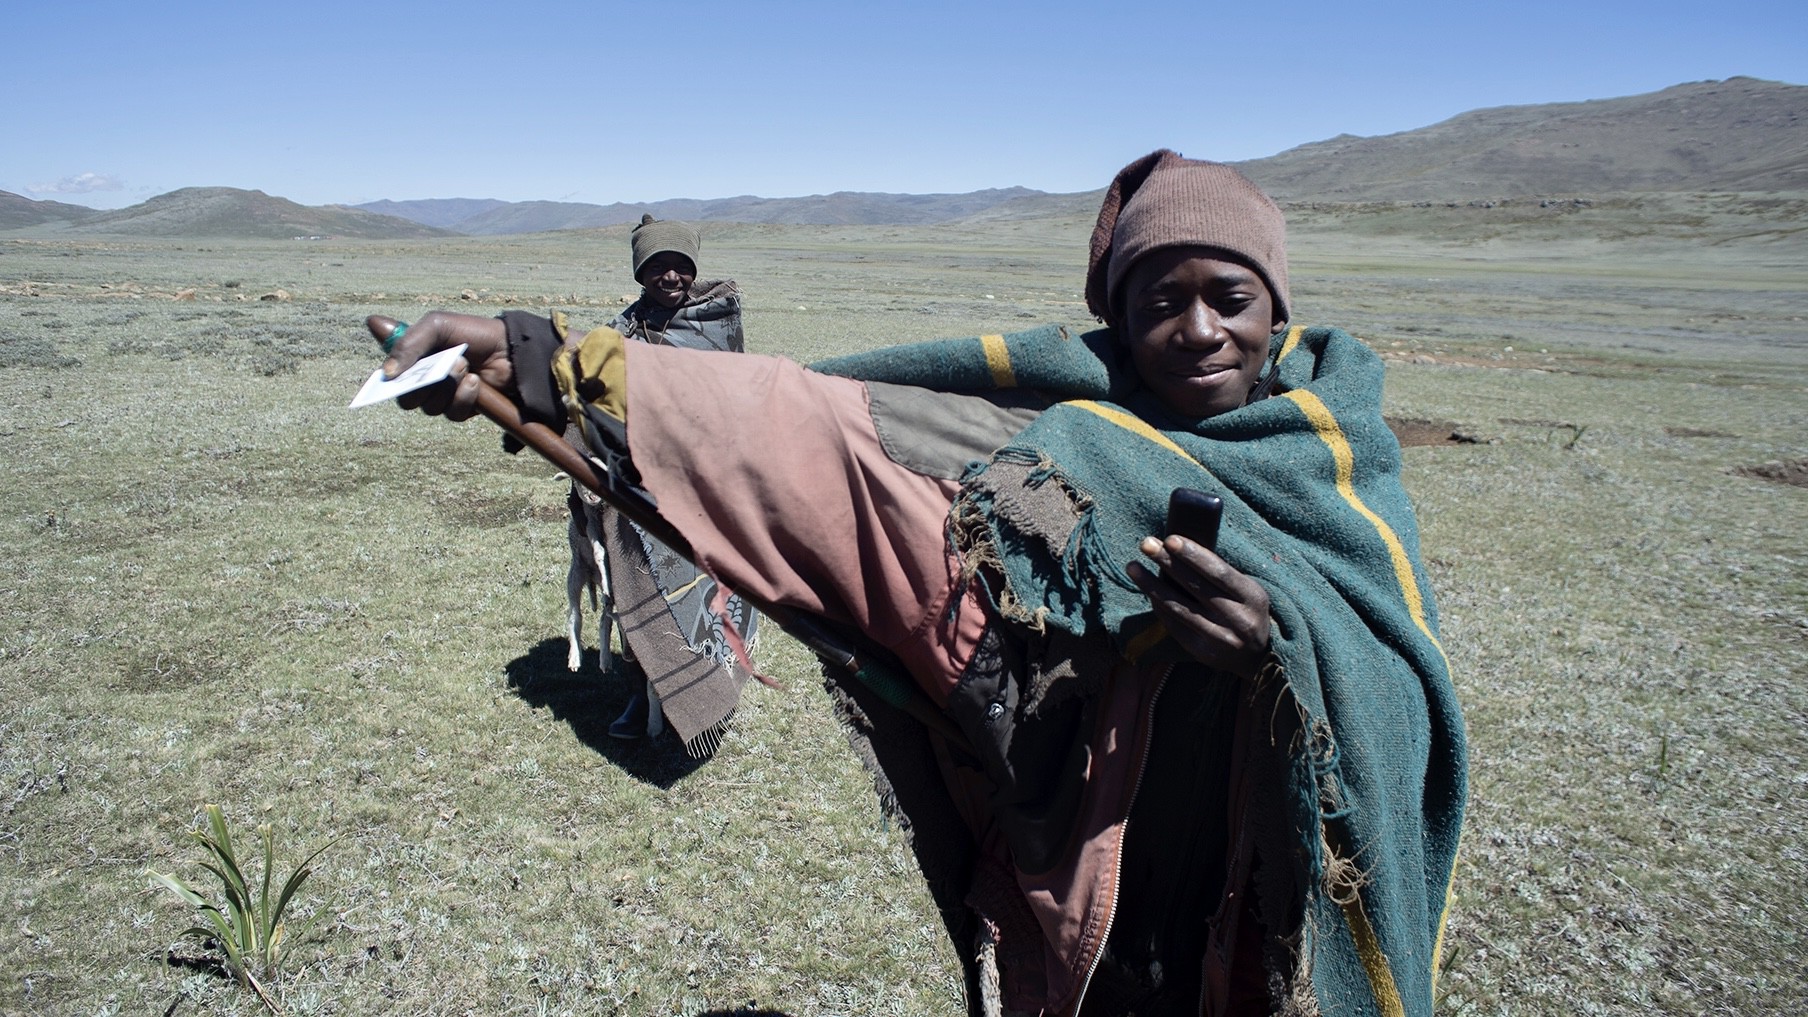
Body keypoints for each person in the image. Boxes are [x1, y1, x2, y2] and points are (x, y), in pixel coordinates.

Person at [377, 150, 1467, 1016]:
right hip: (1094, 881)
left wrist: (1277, 650)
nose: (1195, 330)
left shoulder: (1333, 458)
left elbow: (1395, 687)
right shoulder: (1052, 439)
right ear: (1118, 323)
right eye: (1157, 303)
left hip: (1260, 906)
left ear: (1273, 305)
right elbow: (801, 429)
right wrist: (531, 365)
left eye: (1227, 296)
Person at [576, 214, 756, 749]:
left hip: (711, 481)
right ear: (640, 274)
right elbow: (602, 404)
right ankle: (643, 691)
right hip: (646, 483)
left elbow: (736, 396)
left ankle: (713, 684)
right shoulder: (624, 332)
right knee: (643, 588)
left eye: (679, 266)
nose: (670, 277)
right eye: (657, 267)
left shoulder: (718, 320)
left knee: (713, 591)